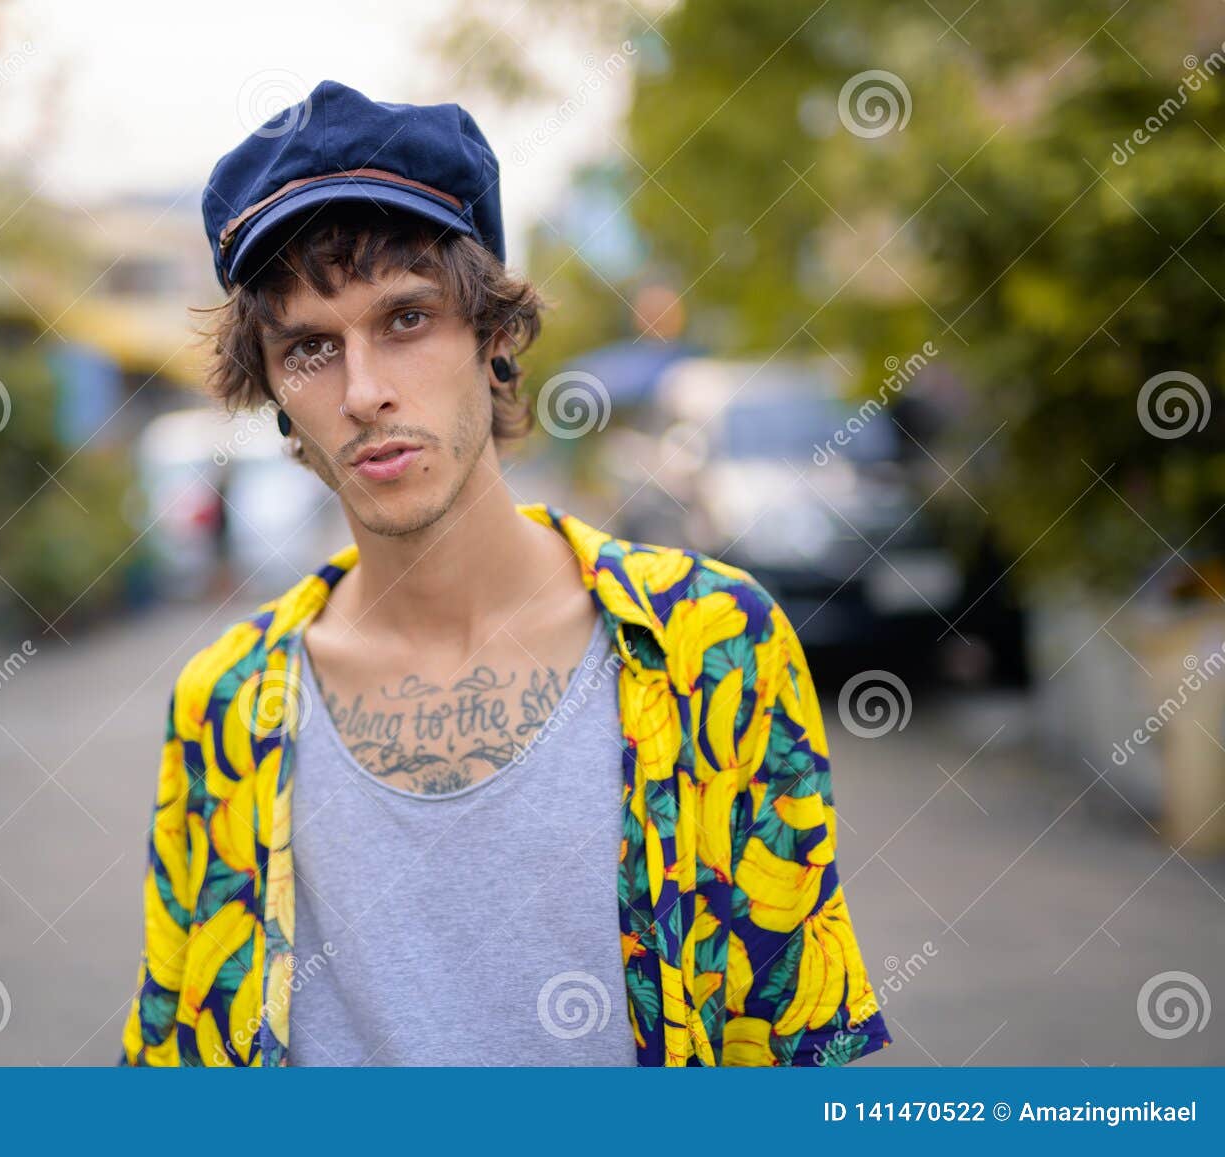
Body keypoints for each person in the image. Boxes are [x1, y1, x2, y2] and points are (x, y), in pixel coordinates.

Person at [119, 79, 891, 1068]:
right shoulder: (224, 705)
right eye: (310, 346)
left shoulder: (708, 644)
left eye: (405, 318)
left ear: (493, 335)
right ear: (270, 390)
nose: (363, 391)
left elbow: (795, 1057)